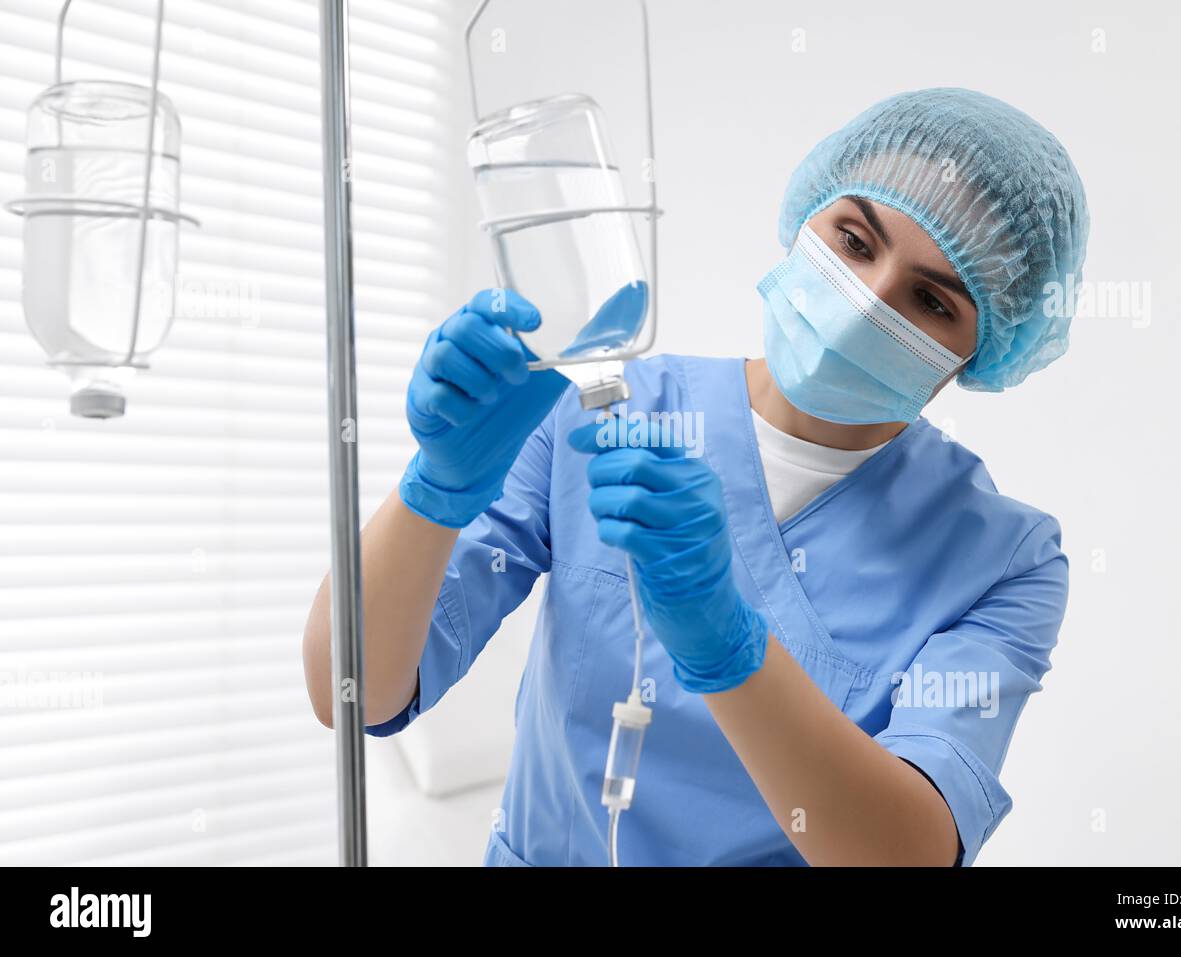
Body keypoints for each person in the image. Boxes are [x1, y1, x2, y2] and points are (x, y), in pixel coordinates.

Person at [302, 87, 1090, 866]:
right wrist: (435, 491)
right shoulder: (602, 408)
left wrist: (727, 642)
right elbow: (355, 689)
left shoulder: (1002, 558)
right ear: (805, 215)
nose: (864, 301)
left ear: (979, 354)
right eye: (854, 240)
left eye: (929, 299)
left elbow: (904, 854)